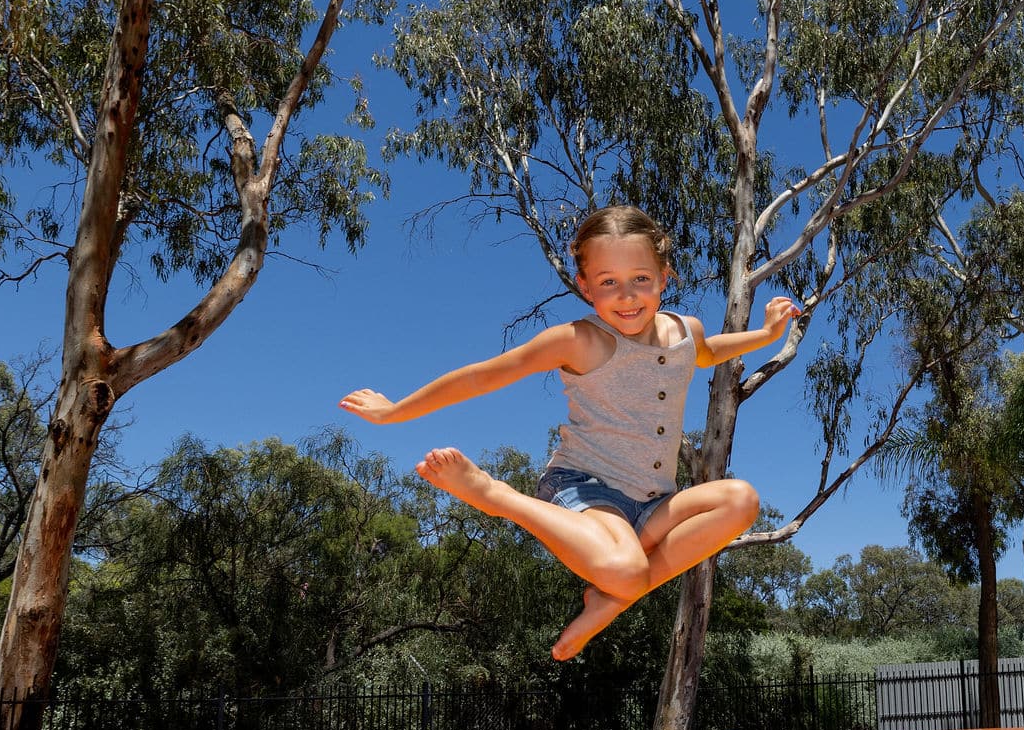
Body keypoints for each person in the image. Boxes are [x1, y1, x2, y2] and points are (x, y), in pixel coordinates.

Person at [340, 204, 799, 660]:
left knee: (740, 501)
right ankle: (497, 496)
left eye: (641, 278)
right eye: (608, 282)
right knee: (627, 570)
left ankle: (614, 598)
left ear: (664, 276)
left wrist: (766, 335)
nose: (627, 296)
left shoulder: (684, 330)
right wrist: (394, 411)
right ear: (585, 286)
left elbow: (707, 351)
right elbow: (483, 376)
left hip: (654, 502)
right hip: (586, 490)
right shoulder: (578, 340)